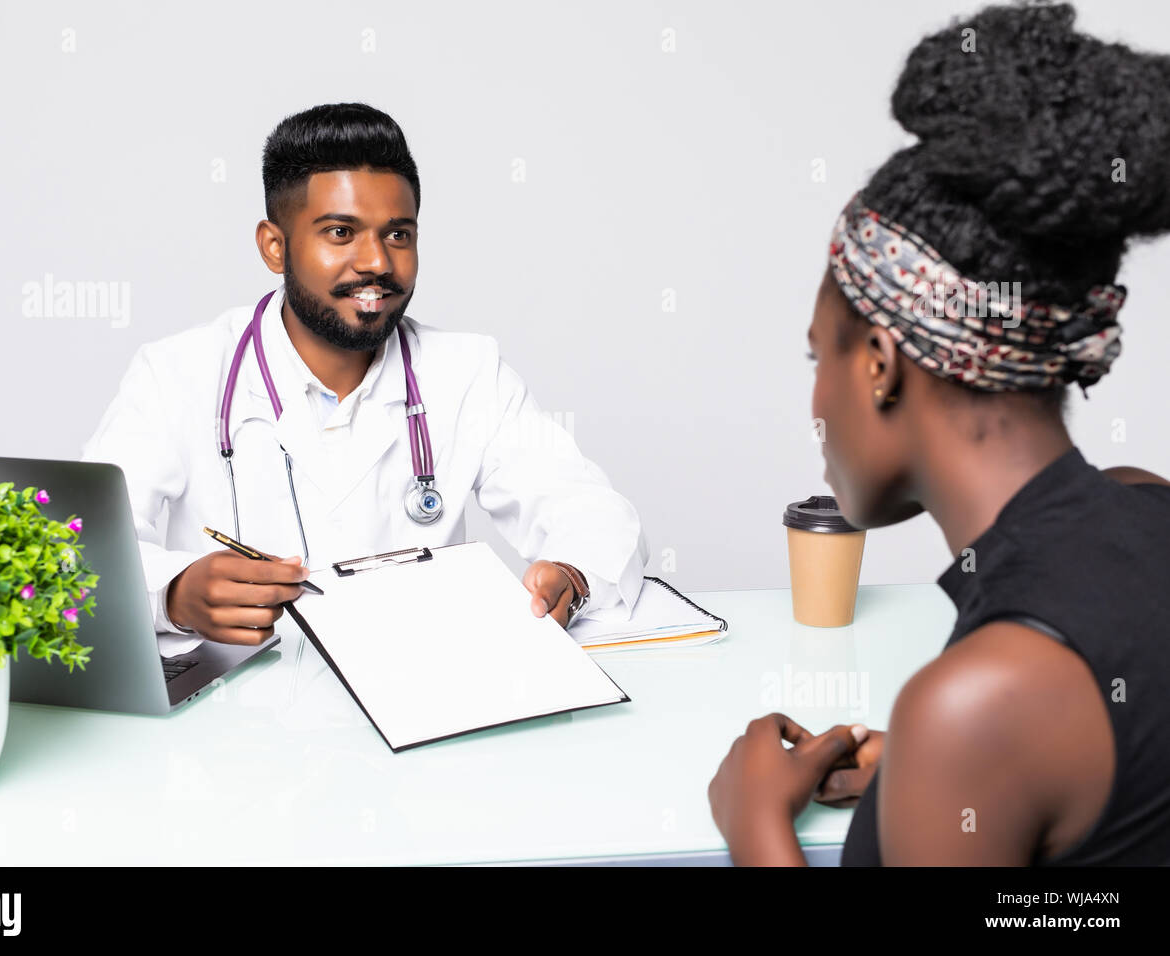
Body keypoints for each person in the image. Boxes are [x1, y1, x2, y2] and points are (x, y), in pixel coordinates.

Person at [709, 2, 1170, 865]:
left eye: (820, 356)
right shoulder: (1150, 504)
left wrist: (756, 827)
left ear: (879, 362)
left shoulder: (972, 706)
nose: (814, 399)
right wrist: (936, 778)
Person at [84, 103, 647, 655]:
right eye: (340, 233)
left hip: (419, 700)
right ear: (274, 246)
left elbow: (589, 509)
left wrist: (572, 575)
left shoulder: (467, 372)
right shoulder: (177, 374)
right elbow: (79, 547)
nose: (376, 261)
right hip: (239, 717)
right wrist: (173, 593)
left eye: (398, 234)